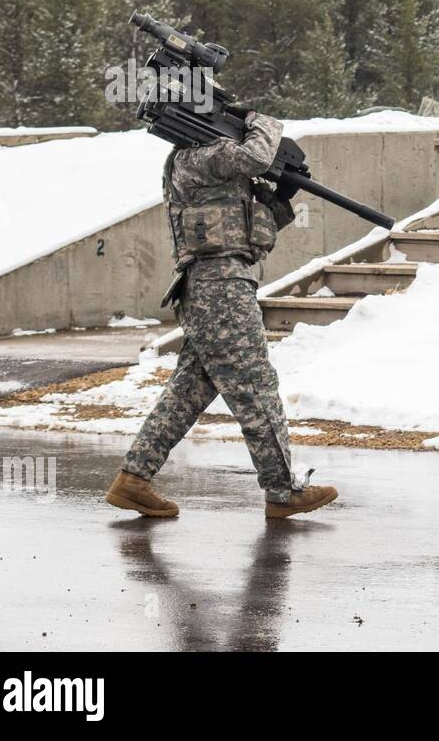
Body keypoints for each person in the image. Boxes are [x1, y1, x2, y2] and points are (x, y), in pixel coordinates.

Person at [105, 110, 337, 519]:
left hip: (215, 286)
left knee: (189, 390)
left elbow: (245, 224)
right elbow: (254, 158)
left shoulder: (207, 166)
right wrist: (261, 122)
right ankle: (282, 491)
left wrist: (276, 199)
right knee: (255, 386)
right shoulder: (200, 157)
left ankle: (134, 480)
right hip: (222, 290)